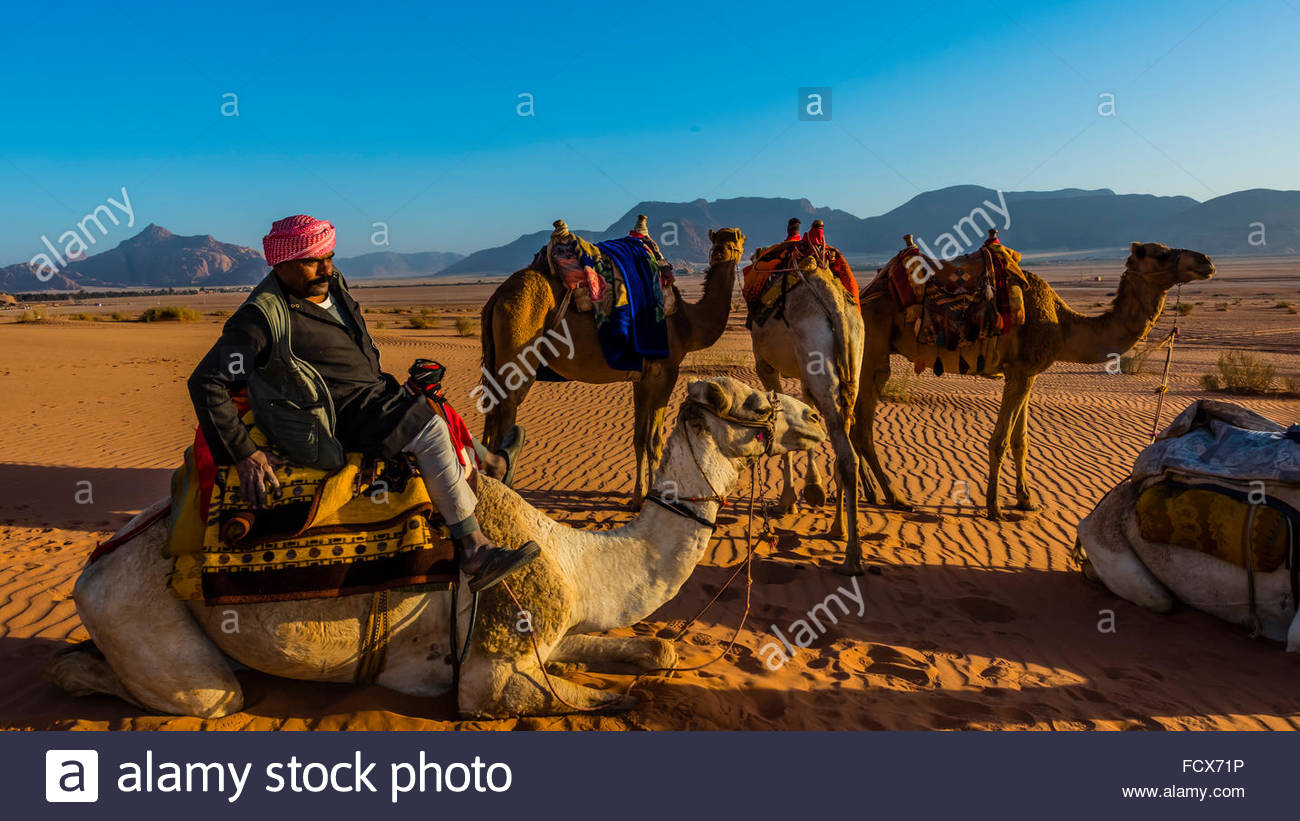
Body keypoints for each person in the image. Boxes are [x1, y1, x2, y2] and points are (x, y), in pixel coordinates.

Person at [188, 215, 537, 592]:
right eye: (312, 260)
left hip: (370, 392)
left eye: (329, 257)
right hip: (331, 419)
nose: (325, 267)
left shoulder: (330, 284)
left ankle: (493, 463)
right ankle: (474, 549)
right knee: (430, 429)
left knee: (431, 403)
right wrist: (244, 453)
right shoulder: (260, 320)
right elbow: (207, 382)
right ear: (281, 263)